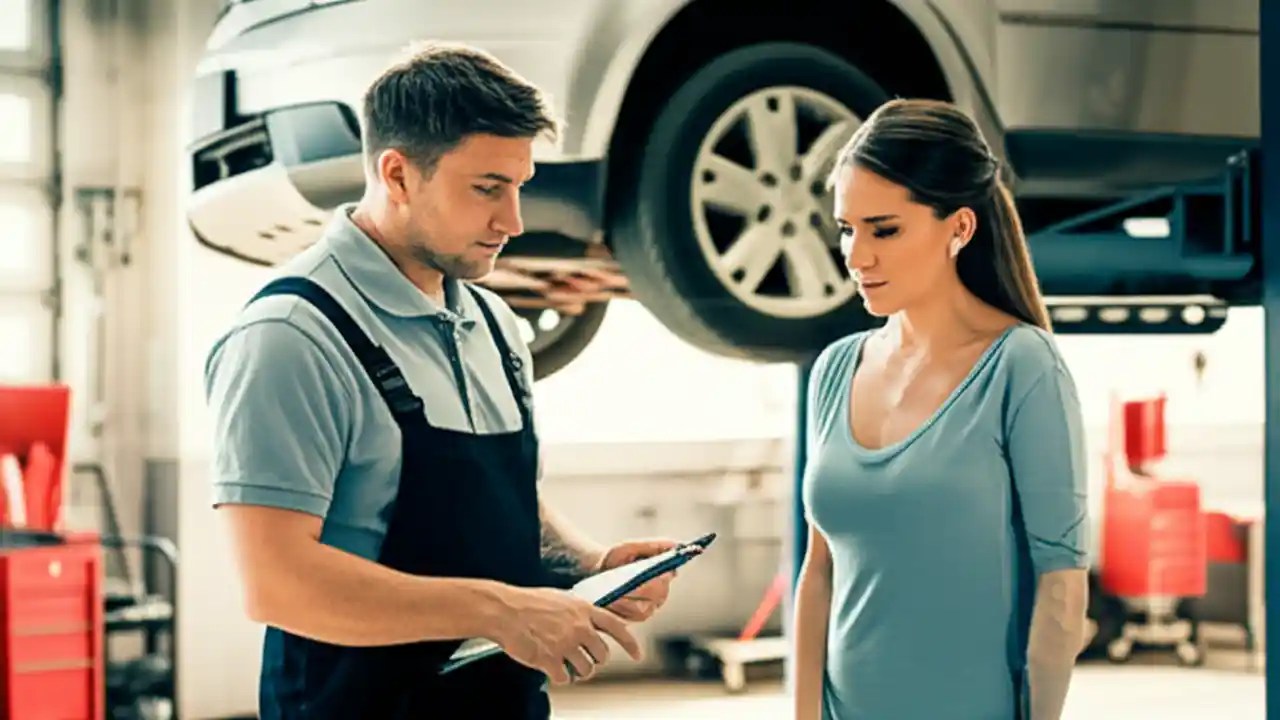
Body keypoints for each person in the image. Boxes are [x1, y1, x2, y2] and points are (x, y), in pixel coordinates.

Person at [204, 41, 681, 720]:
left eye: (519, 187)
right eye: (487, 188)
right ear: (398, 175)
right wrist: (500, 609)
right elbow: (277, 583)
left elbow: (500, 506)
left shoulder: (494, 323)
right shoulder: (290, 336)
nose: (513, 221)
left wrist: (591, 566)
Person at [792, 99, 1090, 720]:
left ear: (959, 228)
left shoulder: (1021, 366)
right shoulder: (835, 369)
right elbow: (819, 573)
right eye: (847, 228)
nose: (857, 256)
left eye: (884, 229)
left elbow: (1062, 589)